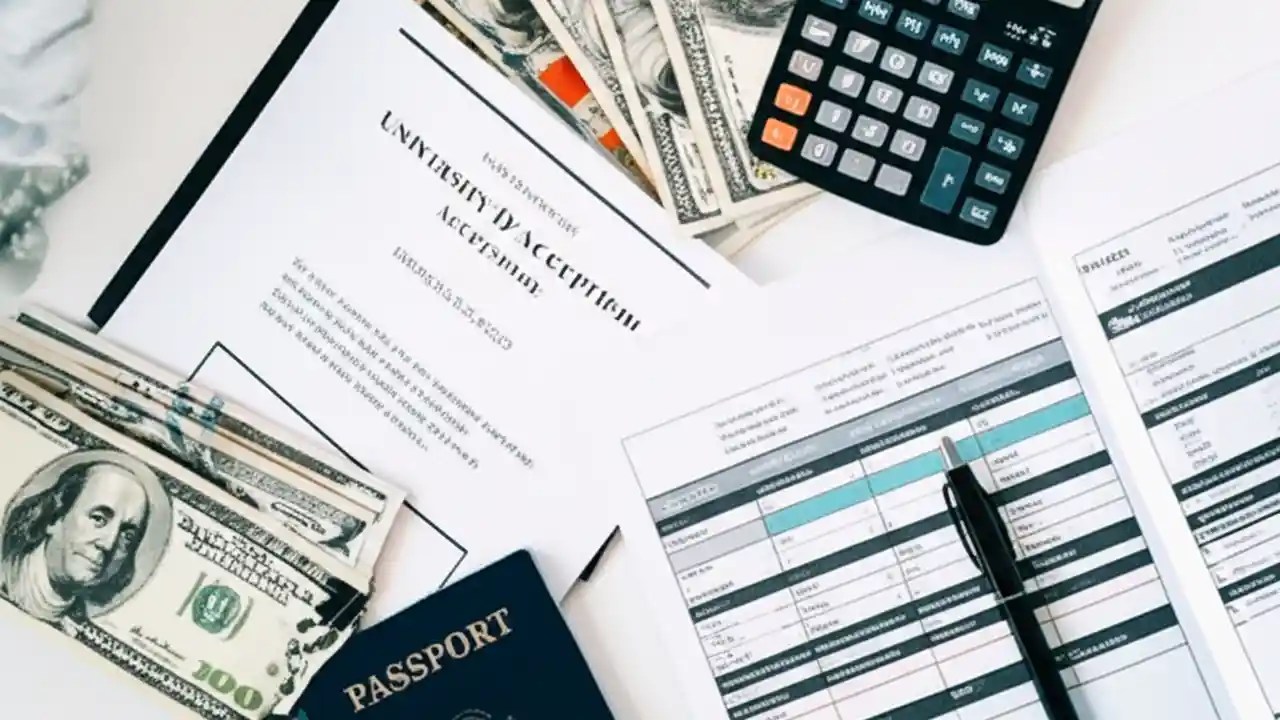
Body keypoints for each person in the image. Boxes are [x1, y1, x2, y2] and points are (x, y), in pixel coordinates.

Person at [1, 458, 151, 624]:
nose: (108, 544)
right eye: (98, 519)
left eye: (127, 536)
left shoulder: (76, 625)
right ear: (55, 517)